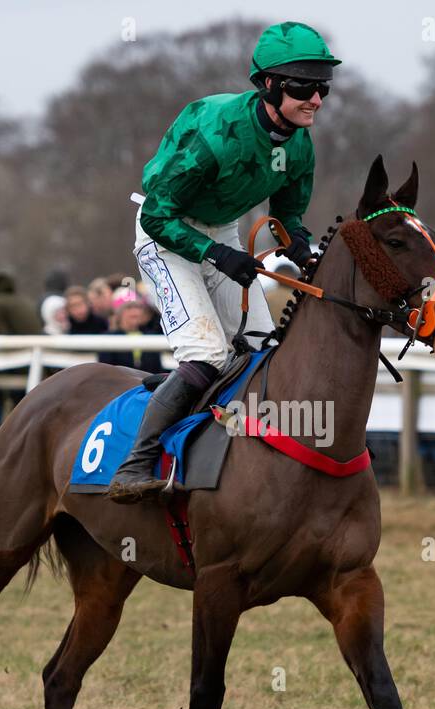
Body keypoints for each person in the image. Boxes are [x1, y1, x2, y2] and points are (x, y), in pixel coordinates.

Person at [109, 21, 339, 502]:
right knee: (208, 354)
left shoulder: (300, 142)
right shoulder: (216, 135)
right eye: (304, 87)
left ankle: (239, 462)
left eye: (323, 87)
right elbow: (157, 215)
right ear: (270, 85)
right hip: (165, 231)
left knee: (258, 347)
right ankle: (136, 464)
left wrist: (296, 237)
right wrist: (215, 253)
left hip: (222, 232)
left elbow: (288, 210)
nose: (316, 99)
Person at [99, 289, 167, 375]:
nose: (135, 312)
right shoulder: (108, 338)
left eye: (138, 307)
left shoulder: (151, 336)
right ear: (119, 313)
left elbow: (157, 370)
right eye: (129, 307)